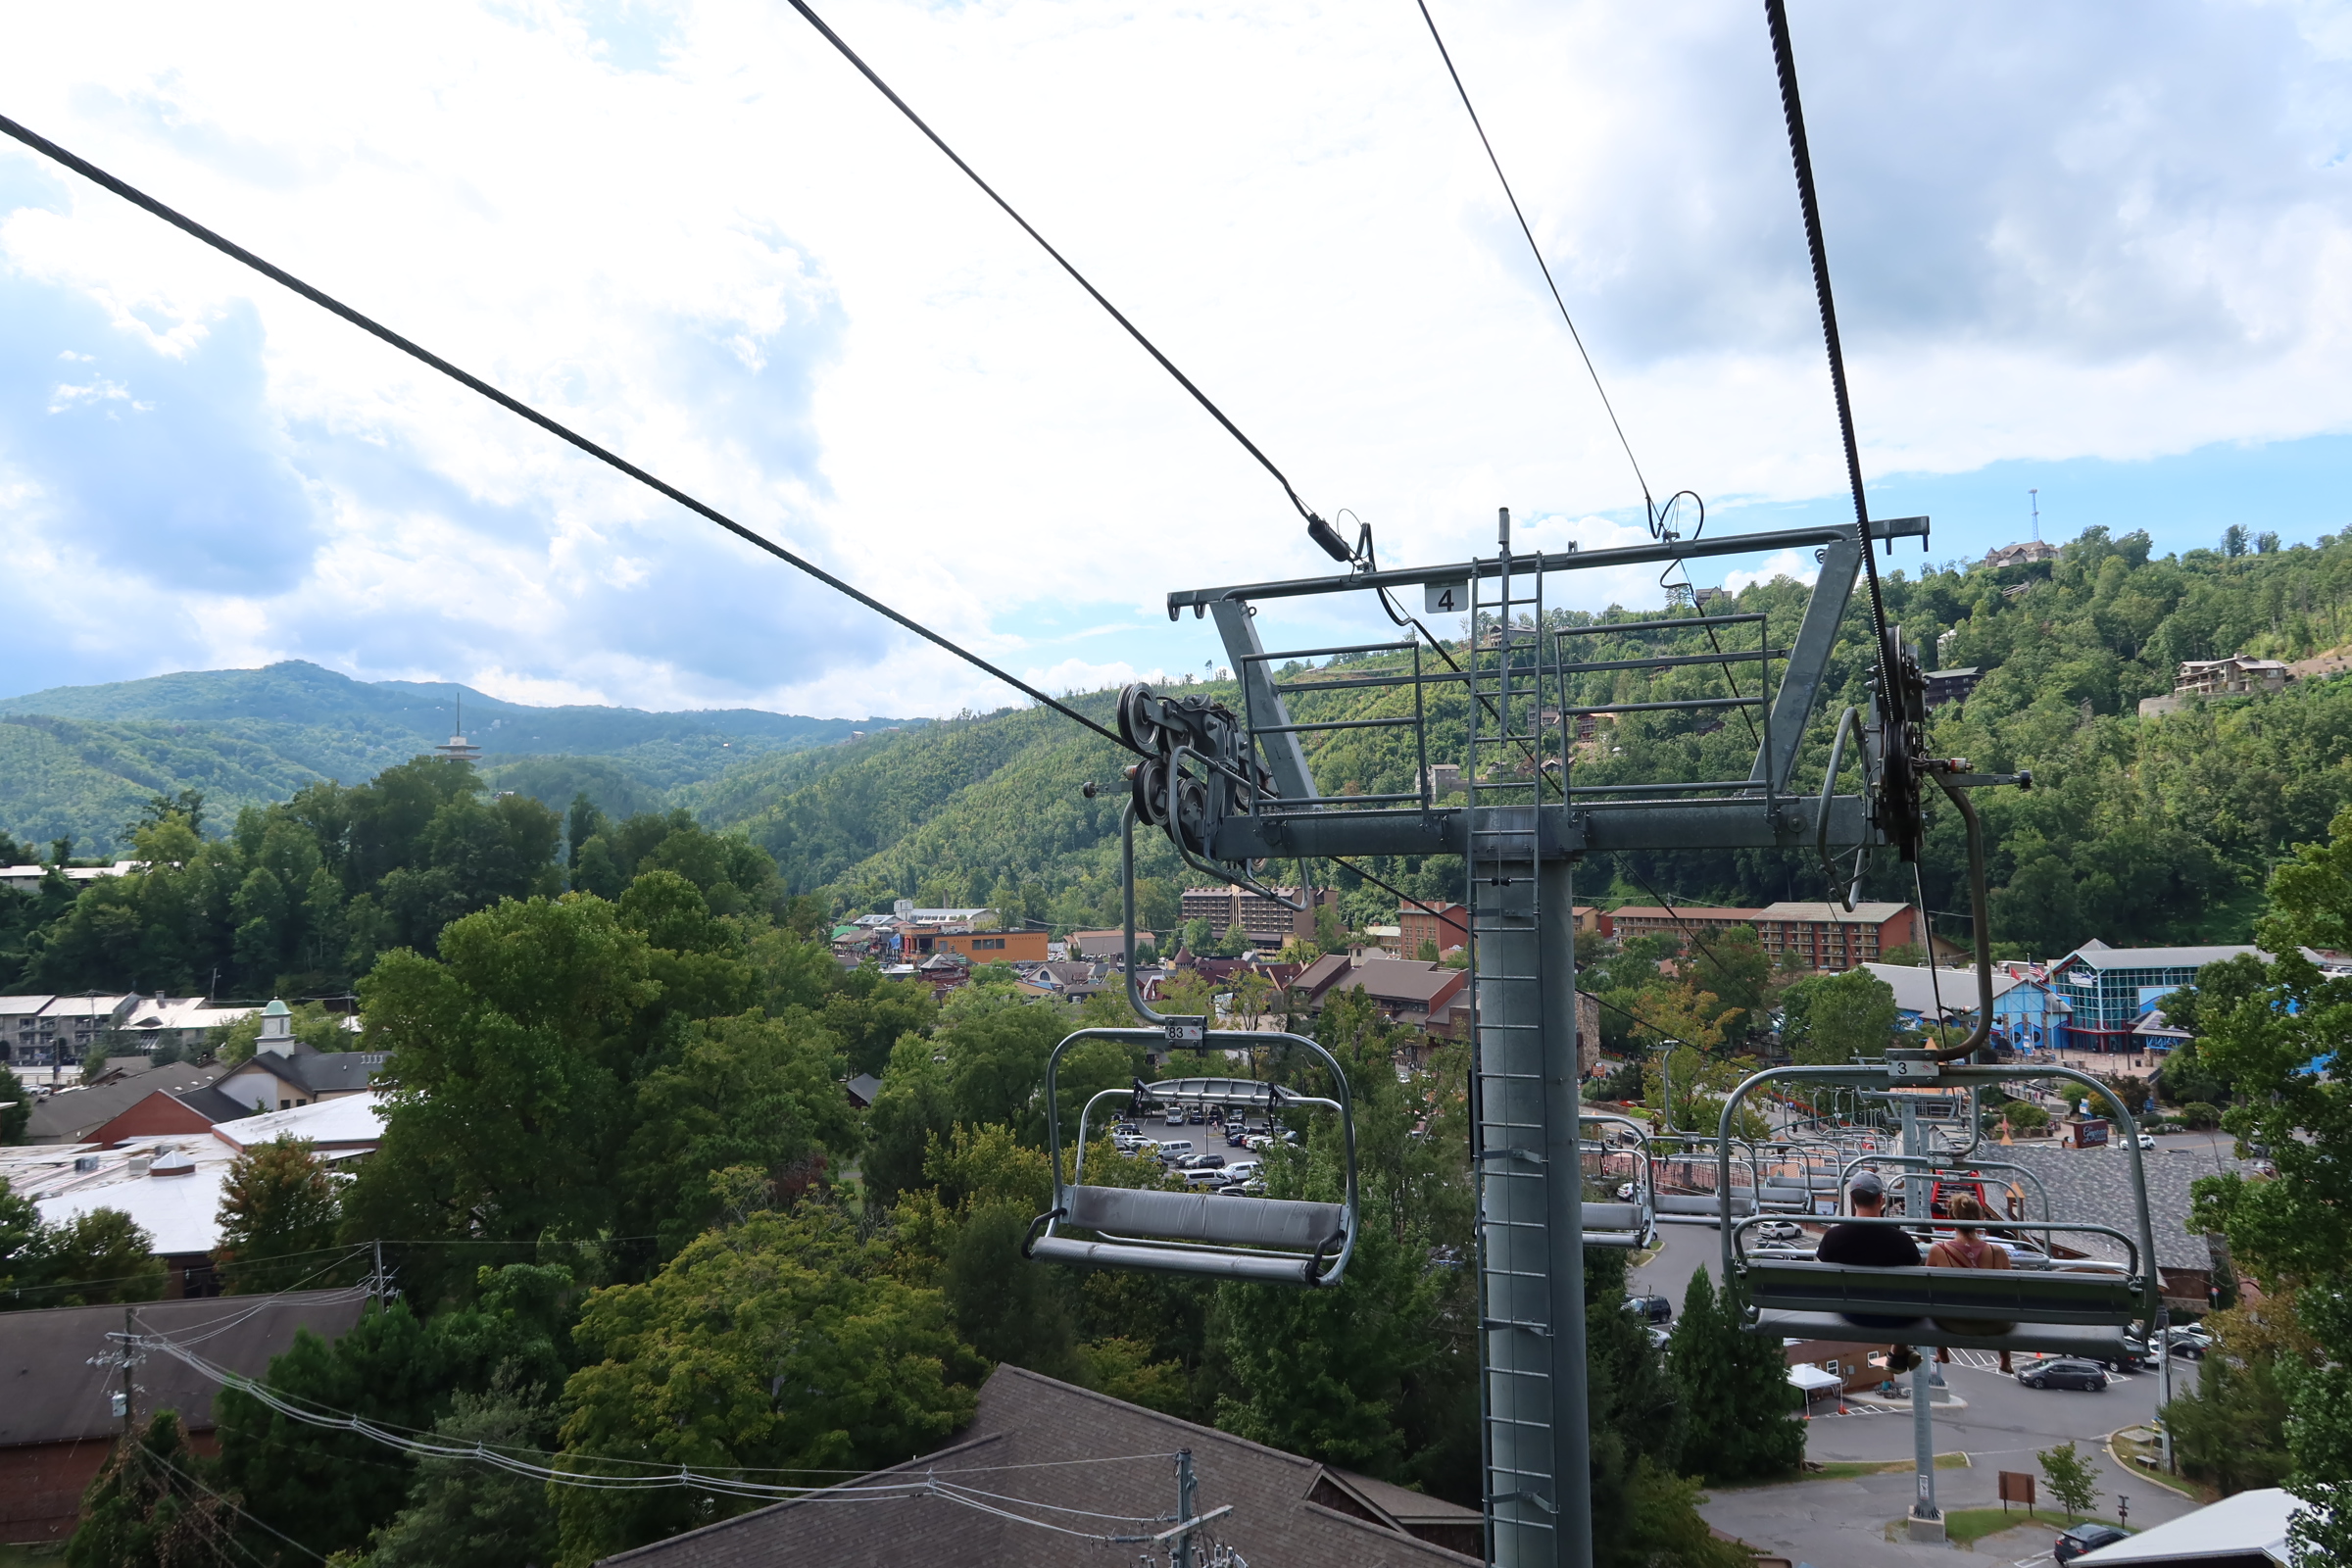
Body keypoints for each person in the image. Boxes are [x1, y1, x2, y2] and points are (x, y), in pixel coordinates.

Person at [1818, 1171, 1923, 1365]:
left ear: (1852, 1198)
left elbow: (1822, 1275)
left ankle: (1897, 1353)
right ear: (1881, 1198)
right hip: (1897, 1317)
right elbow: (1917, 1281)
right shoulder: (1901, 1240)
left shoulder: (1833, 1237)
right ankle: (1898, 1351)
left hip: (1852, 1313)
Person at [1926, 1192, 2016, 1372]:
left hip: (1952, 1321)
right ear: (1980, 1219)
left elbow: (1928, 1288)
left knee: (1935, 1301)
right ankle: (2005, 1359)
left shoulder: (1938, 1250)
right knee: (2001, 1302)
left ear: (1951, 1219)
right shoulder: (1997, 1251)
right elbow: (2011, 1289)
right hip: (1994, 1322)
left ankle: (1941, 1351)